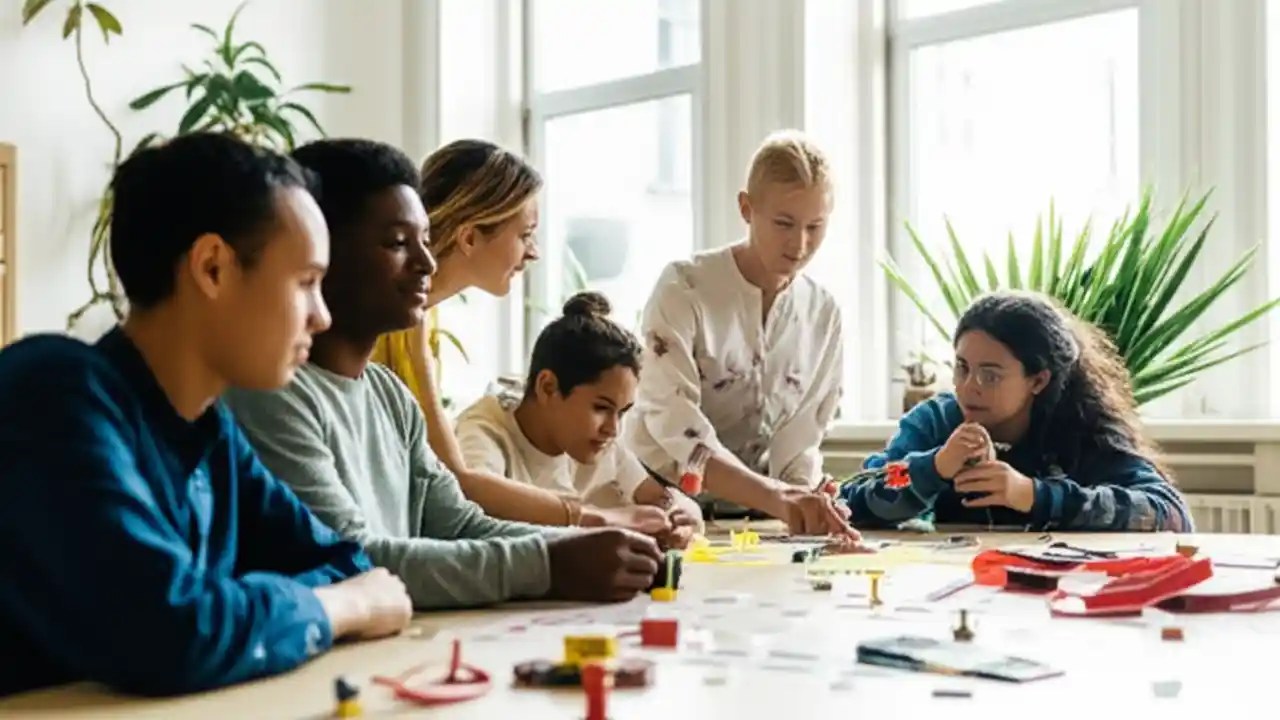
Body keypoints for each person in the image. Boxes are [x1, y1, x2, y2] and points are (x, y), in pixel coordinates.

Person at [0, 133, 412, 697]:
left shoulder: (209, 429)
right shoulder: (51, 392)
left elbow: (345, 560)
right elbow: (168, 633)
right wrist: (342, 607)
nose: (321, 316)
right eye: (307, 282)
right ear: (213, 268)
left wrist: (235, 608)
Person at [226, 139, 662, 610]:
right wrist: (553, 561)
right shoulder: (272, 396)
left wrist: (590, 543)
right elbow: (348, 560)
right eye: (397, 243)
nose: (426, 263)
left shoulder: (391, 395)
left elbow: (459, 523)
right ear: (320, 251)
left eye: (427, 242)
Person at [373, 139, 669, 533]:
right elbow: (458, 480)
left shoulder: (422, 328)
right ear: (470, 236)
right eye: (525, 234)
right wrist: (597, 519)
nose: (534, 253)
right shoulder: (391, 325)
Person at [623, 129, 856, 538]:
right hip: (657, 504)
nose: (799, 244)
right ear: (746, 208)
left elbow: (801, 437)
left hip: (760, 521)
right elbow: (673, 421)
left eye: (815, 227)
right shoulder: (684, 287)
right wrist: (779, 497)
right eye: (784, 223)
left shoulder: (823, 314)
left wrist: (805, 504)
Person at [839, 291, 1193, 532]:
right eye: (962, 367)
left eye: (990, 375)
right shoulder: (936, 422)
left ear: (1038, 381)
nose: (969, 386)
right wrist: (934, 467)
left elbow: (1170, 515)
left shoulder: (1080, 428)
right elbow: (852, 501)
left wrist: (1033, 495)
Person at [456, 292, 704, 549]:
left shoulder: (602, 444)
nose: (613, 429)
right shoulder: (484, 431)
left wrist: (677, 517)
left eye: (622, 412)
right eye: (601, 408)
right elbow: (473, 498)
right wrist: (597, 519)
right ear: (548, 387)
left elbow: (661, 498)